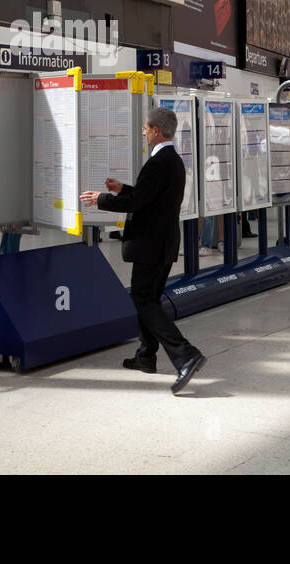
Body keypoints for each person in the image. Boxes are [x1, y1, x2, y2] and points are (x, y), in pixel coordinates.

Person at [81, 107, 206, 393]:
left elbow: (137, 203)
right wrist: (123, 188)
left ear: (156, 131)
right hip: (164, 242)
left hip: (151, 243)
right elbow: (148, 197)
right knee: (148, 297)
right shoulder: (171, 160)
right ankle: (146, 356)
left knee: (143, 299)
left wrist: (101, 199)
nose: (143, 132)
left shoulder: (159, 162)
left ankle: (185, 355)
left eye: (145, 128)